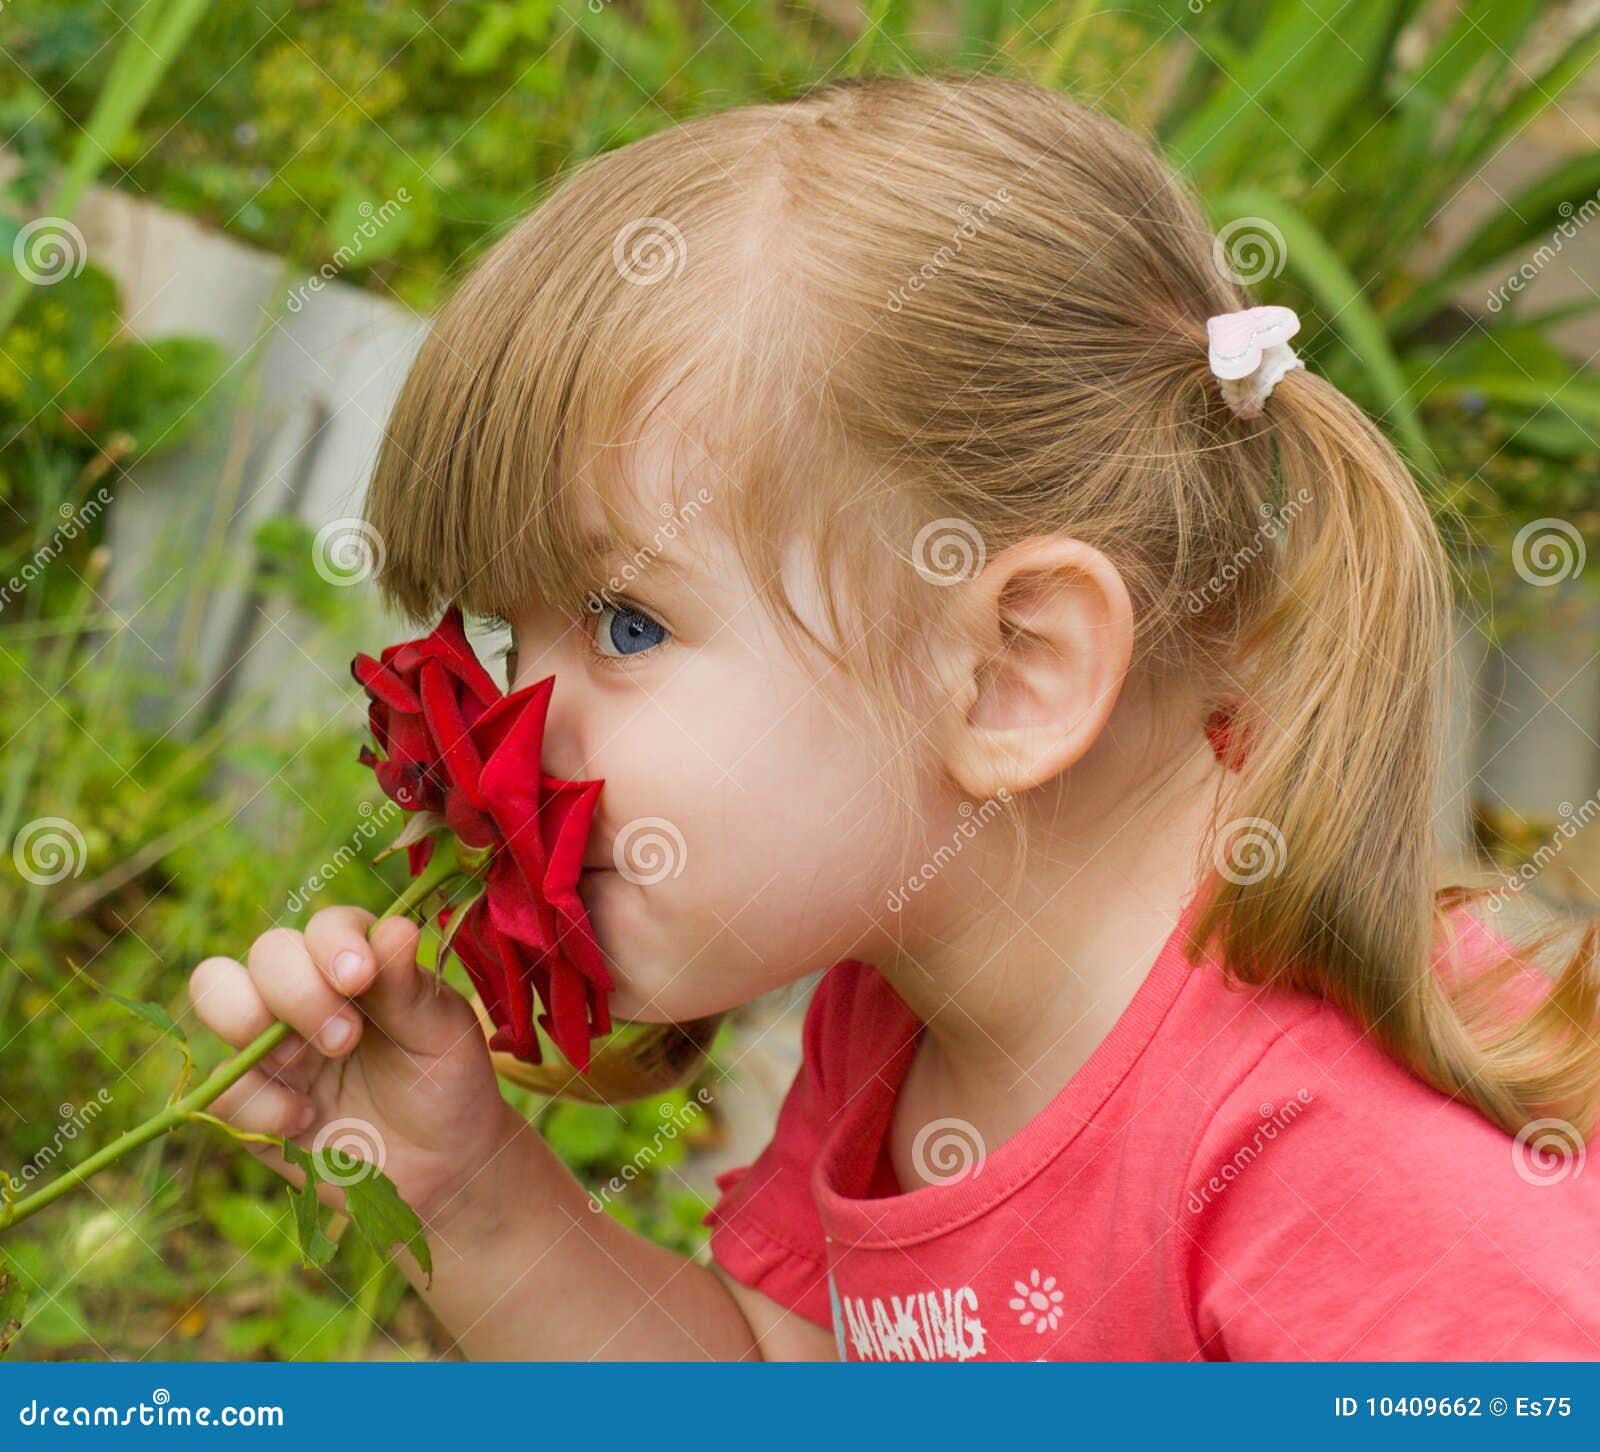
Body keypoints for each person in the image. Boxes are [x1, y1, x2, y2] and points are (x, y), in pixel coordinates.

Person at [188, 70, 1600, 1361]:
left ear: (1013, 673)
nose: (519, 727)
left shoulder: (1358, 1164)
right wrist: (471, 1195)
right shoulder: (904, 1010)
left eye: (627, 625)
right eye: (509, 633)